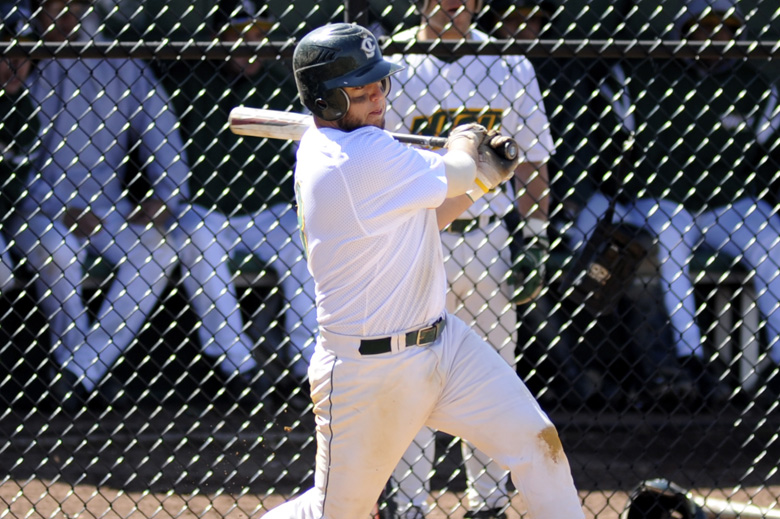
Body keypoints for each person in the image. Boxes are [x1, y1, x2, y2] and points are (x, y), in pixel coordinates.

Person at [260, 22, 585, 519]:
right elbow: (455, 168)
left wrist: (481, 183)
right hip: (369, 371)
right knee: (336, 512)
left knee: (536, 442)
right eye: (361, 91)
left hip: (443, 343)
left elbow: (429, 216)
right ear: (324, 101)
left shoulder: (359, 148)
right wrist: (465, 142)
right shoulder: (356, 159)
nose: (377, 99)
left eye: (380, 85)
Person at [11, 0, 264, 414]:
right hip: (37, 208)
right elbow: (16, 165)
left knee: (159, 250)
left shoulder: (119, 61)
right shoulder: (23, 61)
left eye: (71, 6)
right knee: (62, 249)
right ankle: (79, 373)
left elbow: (162, 133)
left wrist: (164, 196)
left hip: (105, 204)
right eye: (50, 8)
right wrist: (57, 210)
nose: (62, 17)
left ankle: (81, 370)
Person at [382, 1, 558, 517]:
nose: (454, 5)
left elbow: (533, 162)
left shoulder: (507, 63)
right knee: (409, 377)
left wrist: (536, 237)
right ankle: (408, 505)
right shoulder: (394, 65)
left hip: (490, 240)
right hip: (418, 238)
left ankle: (488, 505)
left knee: (491, 380)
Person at [570, 0, 780, 409]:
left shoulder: (755, 84)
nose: (716, 36)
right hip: (662, 201)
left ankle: (777, 362)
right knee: (672, 233)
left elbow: (768, 158)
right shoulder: (643, 75)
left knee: (771, 242)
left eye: (726, 28)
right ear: (683, 31)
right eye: (705, 27)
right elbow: (611, 153)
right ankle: (691, 358)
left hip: (727, 204)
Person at [160, 0, 317, 406]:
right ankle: (241, 369)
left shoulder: (282, 84)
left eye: (259, 32)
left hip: (269, 208)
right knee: (198, 246)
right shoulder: (189, 81)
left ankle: (306, 369)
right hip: (206, 207)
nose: (251, 42)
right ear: (218, 38)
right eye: (240, 32)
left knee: (308, 251)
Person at [0, 2, 36, 294]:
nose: (15, 65)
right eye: (4, 55)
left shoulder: (24, 112)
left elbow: (11, 189)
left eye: (22, 55)